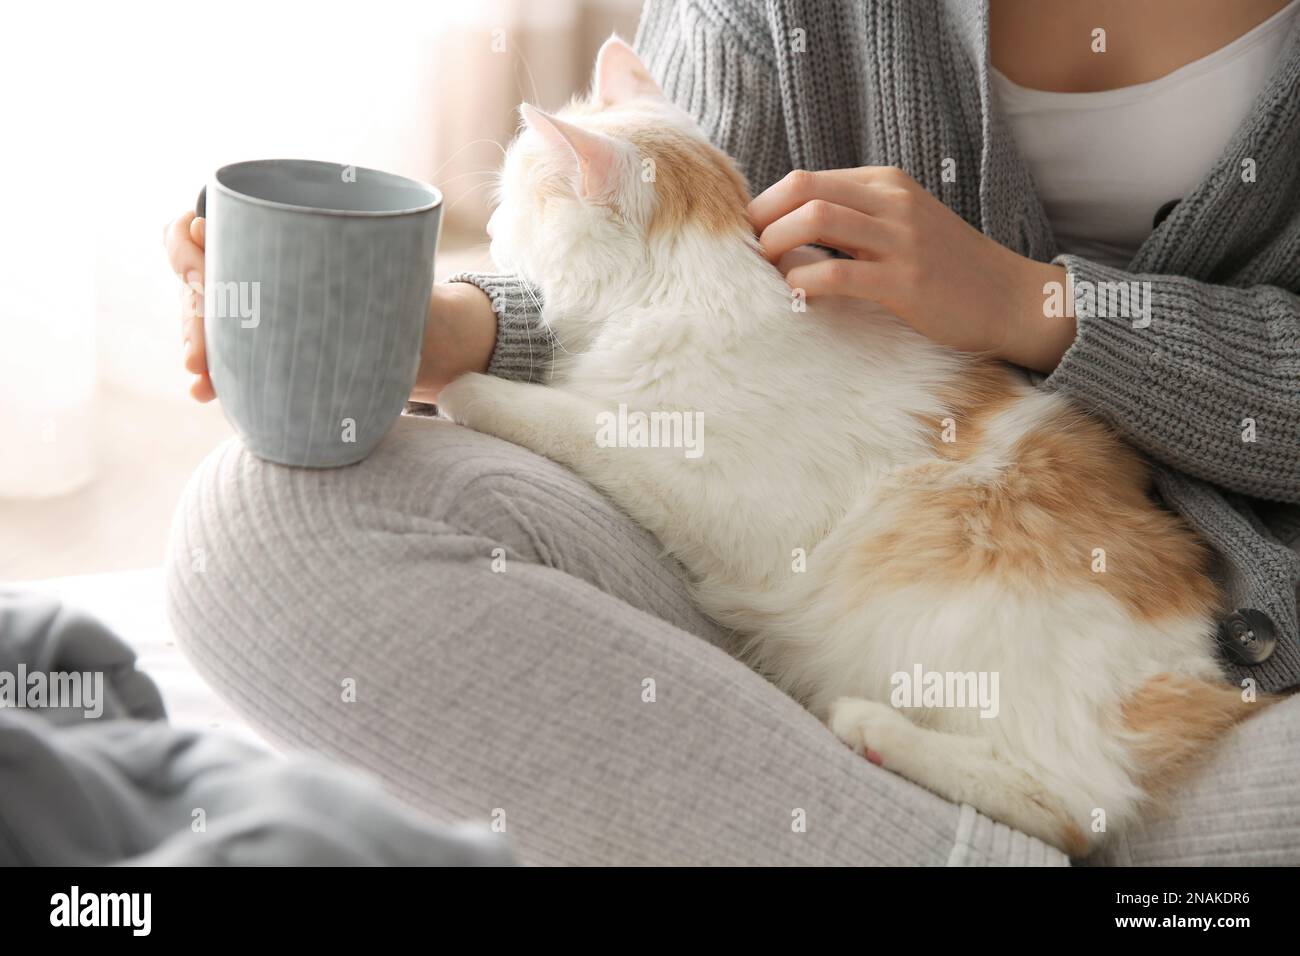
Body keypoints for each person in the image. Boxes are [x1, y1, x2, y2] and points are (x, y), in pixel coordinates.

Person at [162, 0, 1300, 865]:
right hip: (797, 574)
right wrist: (456, 326)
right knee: (262, 532)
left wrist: (1032, 303)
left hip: (1229, 688)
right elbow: (664, 264)